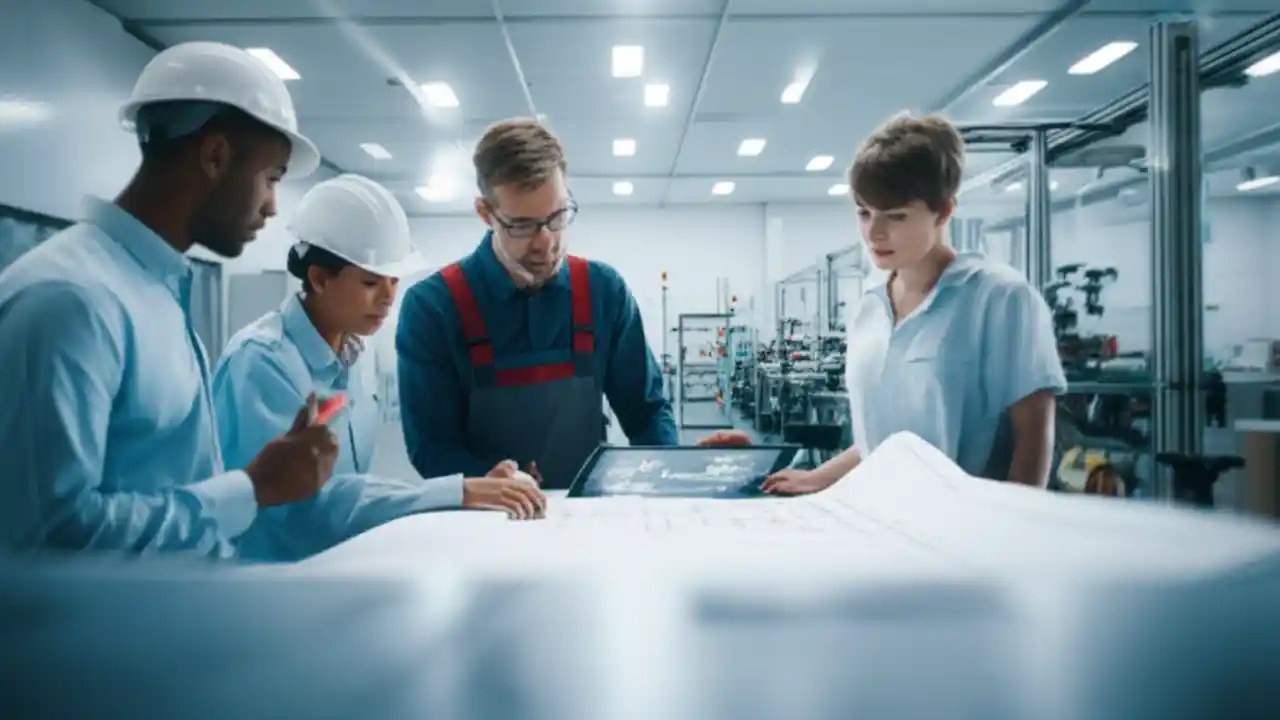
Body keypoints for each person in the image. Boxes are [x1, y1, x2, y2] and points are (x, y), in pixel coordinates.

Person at [0, 42, 339, 556]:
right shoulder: (71, 299)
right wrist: (254, 487)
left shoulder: (151, 291)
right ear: (215, 156)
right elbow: (50, 536)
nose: (273, 207)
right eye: (270, 179)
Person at [396, 118, 746, 490]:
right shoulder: (433, 308)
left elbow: (645, 412)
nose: (546, 242)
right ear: (486, 214)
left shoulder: (602, 291)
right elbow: (431, 447)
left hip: (587, 517)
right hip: (486, 523)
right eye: (522, 225)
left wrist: (673, 469)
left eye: (558, 216)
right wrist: (488, 482)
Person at [212, 174, 546, 560]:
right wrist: (459, 491)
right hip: (263, 585)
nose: (389, 299)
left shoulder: (355, 354)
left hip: (333, 569)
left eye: (393, 280)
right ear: (319, 279)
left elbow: (353, 488)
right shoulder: (262, 361)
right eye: (371, 282)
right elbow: (304, 504)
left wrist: (472, 487)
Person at [764, 113, 1066, 495]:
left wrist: (1007, 532)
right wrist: (819, 476)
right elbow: (882, 442)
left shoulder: (1001, 299)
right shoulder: (870, 308)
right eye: (864, 212)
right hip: (878, 520)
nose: (874, 232)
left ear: (943, 210)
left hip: (964, 527)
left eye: (896, 216)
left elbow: (1034, 437)